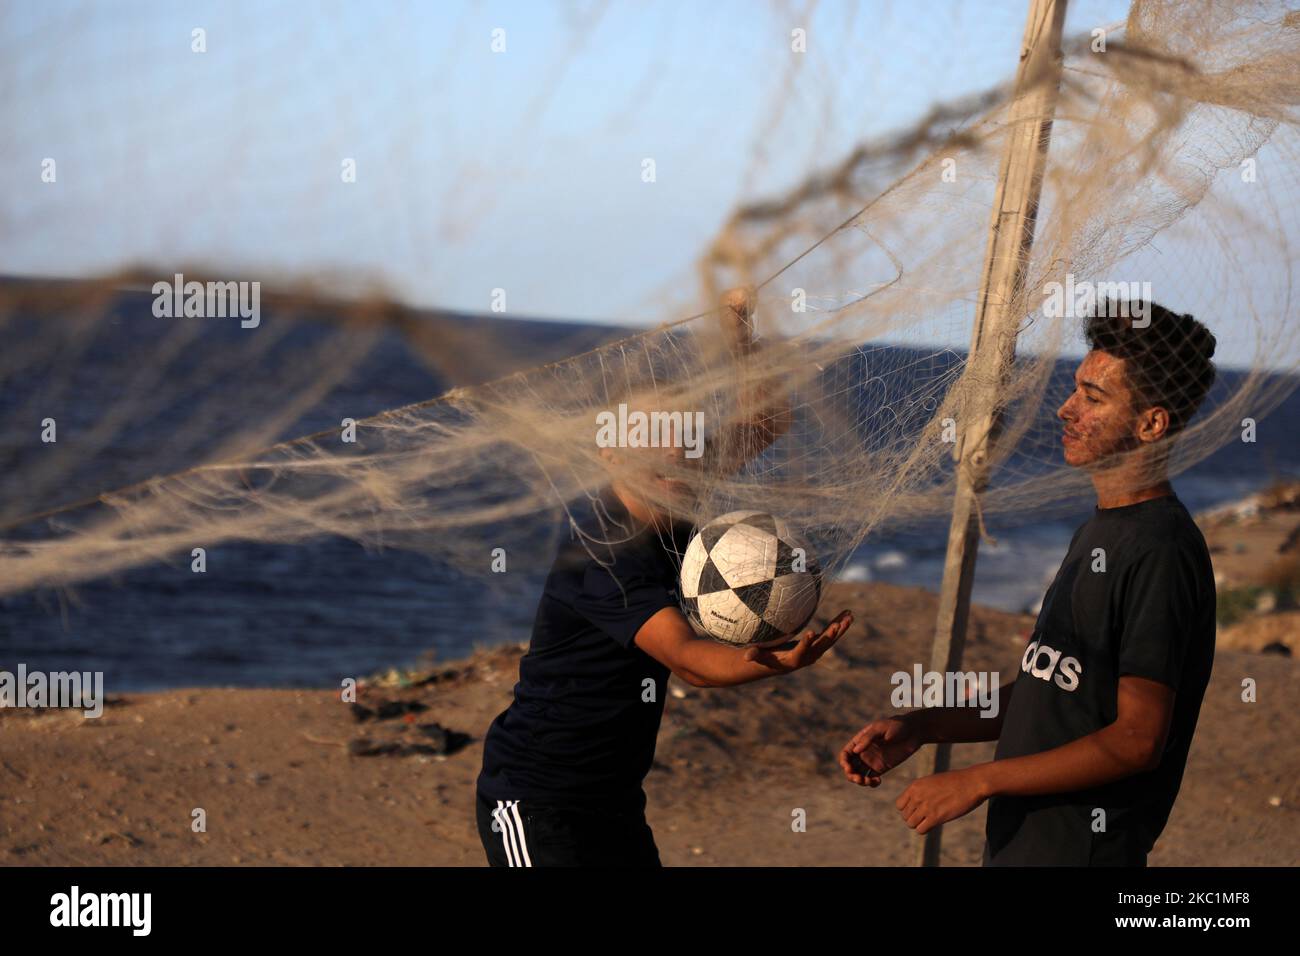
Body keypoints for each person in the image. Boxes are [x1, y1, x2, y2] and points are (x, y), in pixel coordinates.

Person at [477, 289, 853, 866]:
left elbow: (769, 418)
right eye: (650, 438)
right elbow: (686, 659)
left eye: (684, 438)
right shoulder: (602, 553)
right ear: (610, 451)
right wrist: (769, 660)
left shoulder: (678, 486)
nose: (672, 452)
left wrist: (739, 336)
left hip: (614, 799)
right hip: (536, 798)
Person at [840, 300, 1218, 866]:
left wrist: (979, 781)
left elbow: (1138, 740)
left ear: (1151, 423)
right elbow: (1046, 692)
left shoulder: (1160, 550)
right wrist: (921, 726)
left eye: (1093, 397)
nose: (1066, 409)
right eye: (1074, 390)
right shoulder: (1098, 531)